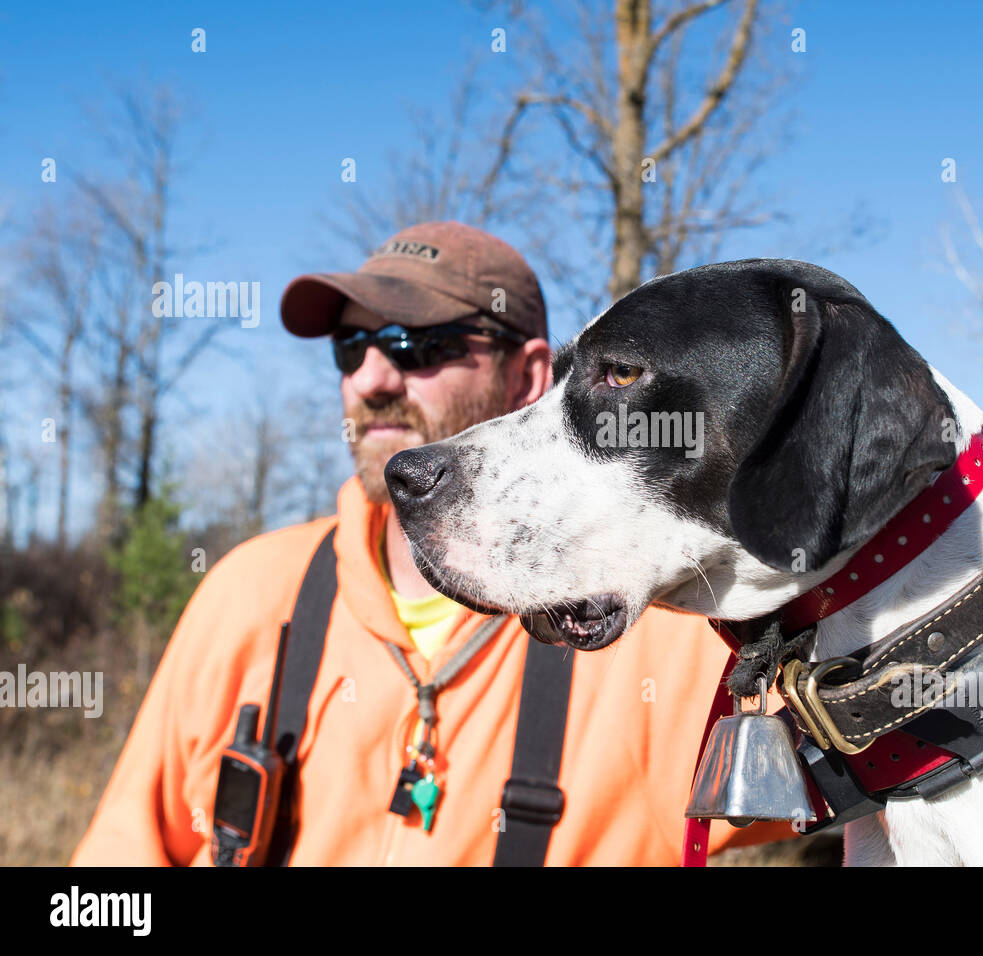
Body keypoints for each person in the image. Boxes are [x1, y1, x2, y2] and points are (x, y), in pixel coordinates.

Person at [70, 222, 790, 865]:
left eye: (418, 345)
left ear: (530, 375)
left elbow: (873, 743)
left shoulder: (667, 618)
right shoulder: (249, 593)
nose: (372, 377)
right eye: (350, 347)